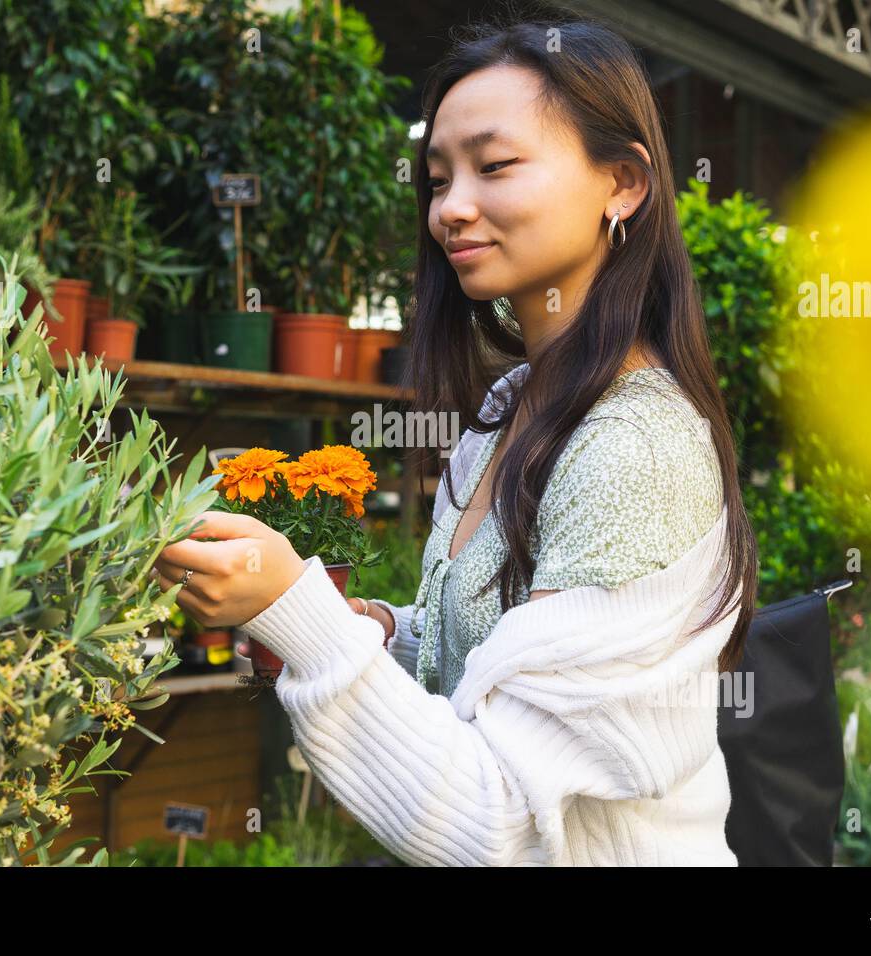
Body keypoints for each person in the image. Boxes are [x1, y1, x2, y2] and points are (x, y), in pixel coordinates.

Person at [151, 14, 758, 866]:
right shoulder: (513, 410)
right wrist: (363, 624)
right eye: (438, 179)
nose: (451, 209)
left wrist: (297, 608)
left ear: (622, 183)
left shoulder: (635, 450)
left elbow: (499, 821)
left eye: (496, 165)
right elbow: (478, 661)